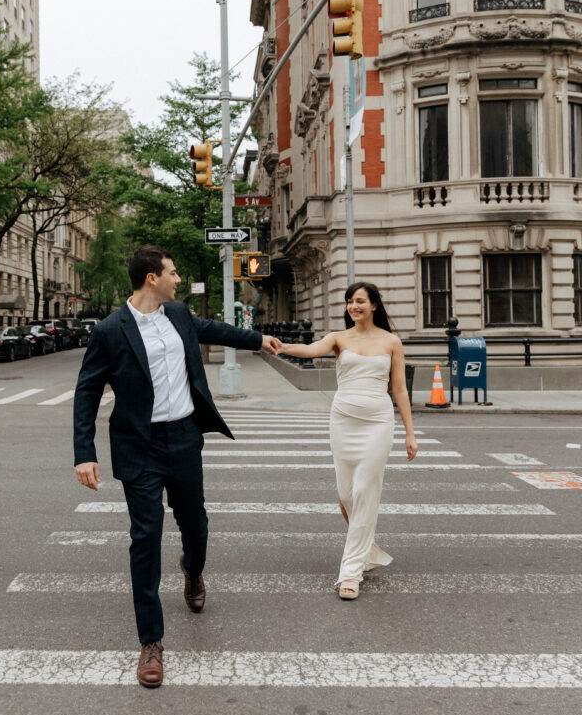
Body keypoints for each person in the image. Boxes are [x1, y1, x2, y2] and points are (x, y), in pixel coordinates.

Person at [73, 245, 279, 687]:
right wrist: (84, 453)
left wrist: (258, 339)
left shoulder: (179, 314)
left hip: (184, 437)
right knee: (144, 539)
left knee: (196, 524)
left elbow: (215, 329)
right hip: (138, 447)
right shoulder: (110, 331)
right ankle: (151, 642)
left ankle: (193, 568)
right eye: (172, 272)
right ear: (152, 278)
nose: (178, 279)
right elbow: (87, 392)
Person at [277, 281, 417, 600]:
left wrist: (410, 432)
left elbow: (399, 390)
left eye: (360, 301)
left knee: (364, 489)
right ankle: (366, 550)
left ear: (374, 306)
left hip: (378, 422)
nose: (353, 306)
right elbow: (311, 350)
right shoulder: (339, 338)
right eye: (349, 302)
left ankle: (350, 573)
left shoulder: (391, 342)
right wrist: (282, 347)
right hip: (343, 422)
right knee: (346, 493)